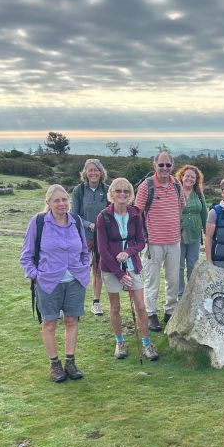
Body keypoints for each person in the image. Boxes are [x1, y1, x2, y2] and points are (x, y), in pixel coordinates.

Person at [20, 184, 90, 382]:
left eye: (64, 199)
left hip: (75, 281)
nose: (61, 204)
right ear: (48, 203)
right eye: (56, 200)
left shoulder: (76, 220)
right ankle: (55, 365)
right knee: (49, 323)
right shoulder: (39, 222)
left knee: (72, 321)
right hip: (48, 282)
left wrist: (84, 268)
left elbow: (84, 250)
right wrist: (36, 275)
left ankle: (70, 362)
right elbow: (26, 255)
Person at [96, 178, 159, 362]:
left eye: (126, 191)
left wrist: (128, 252)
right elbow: (102, 250)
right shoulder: (103, 217)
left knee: (140, 306)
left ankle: (146, 342)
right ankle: (120, 341)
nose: (122, 194)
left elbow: (141, 242)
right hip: (111, 268)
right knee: (115, 307)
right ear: (111, 194)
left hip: (132, 265)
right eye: (118, 191)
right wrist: (119, 274)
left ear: (130, 194)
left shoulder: (135, 214)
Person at [134, 151, 184, 332]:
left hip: (174, 241)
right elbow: (137, 213)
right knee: (152, 280)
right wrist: (139, 238)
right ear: (154, 165)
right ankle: (150, 314)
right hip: (153, 242)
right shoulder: (146, 186)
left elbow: (181, 207)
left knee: (173, 279)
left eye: (168, 165)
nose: (164, 168)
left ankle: (170, 311)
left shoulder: (177, 185)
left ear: (172, 166)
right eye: (161, 164)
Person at [71, 158, 110, 316]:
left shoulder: (107, 190)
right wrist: (89, 224)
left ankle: (96, 303)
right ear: (85, 173)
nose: (93, 173)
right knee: (79, 270)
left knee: (98, 270)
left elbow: (111, 212)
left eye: (96, 170)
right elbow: (73, 215)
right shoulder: (79, 190)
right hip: (83, 237)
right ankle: (71, 303)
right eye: (90, 170)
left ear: (101, 172)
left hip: (102, 237)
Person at [174, 164, 208, 298]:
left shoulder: (199, 194)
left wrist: (207, 234)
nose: (189, 179)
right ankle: (180, 295)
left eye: (193, 177)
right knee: (178, 267)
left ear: (196, 179)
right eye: (187, 176)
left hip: (195, 234)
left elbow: (204, 214)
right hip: (178, 235)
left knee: (193, 266)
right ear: (182, 177)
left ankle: (192, 295)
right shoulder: (175, 192)